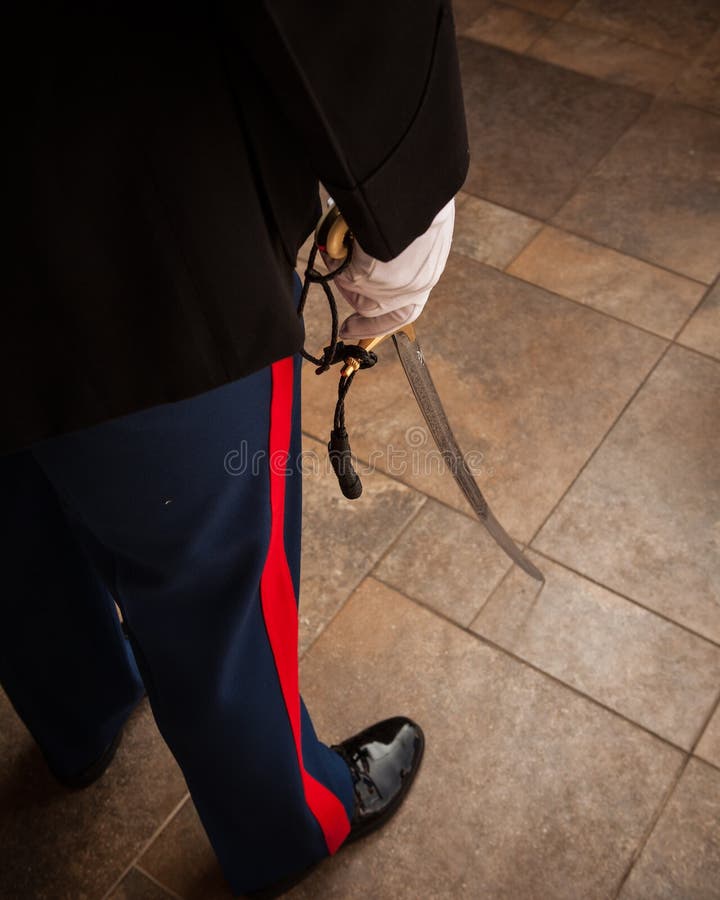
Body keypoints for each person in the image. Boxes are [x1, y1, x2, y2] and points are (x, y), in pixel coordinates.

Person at [3, 2, 468, 895]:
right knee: (216, 570)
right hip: (136, 208)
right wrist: (401, 173)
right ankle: (291, 823)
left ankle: (78, 716)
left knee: (14, 508)